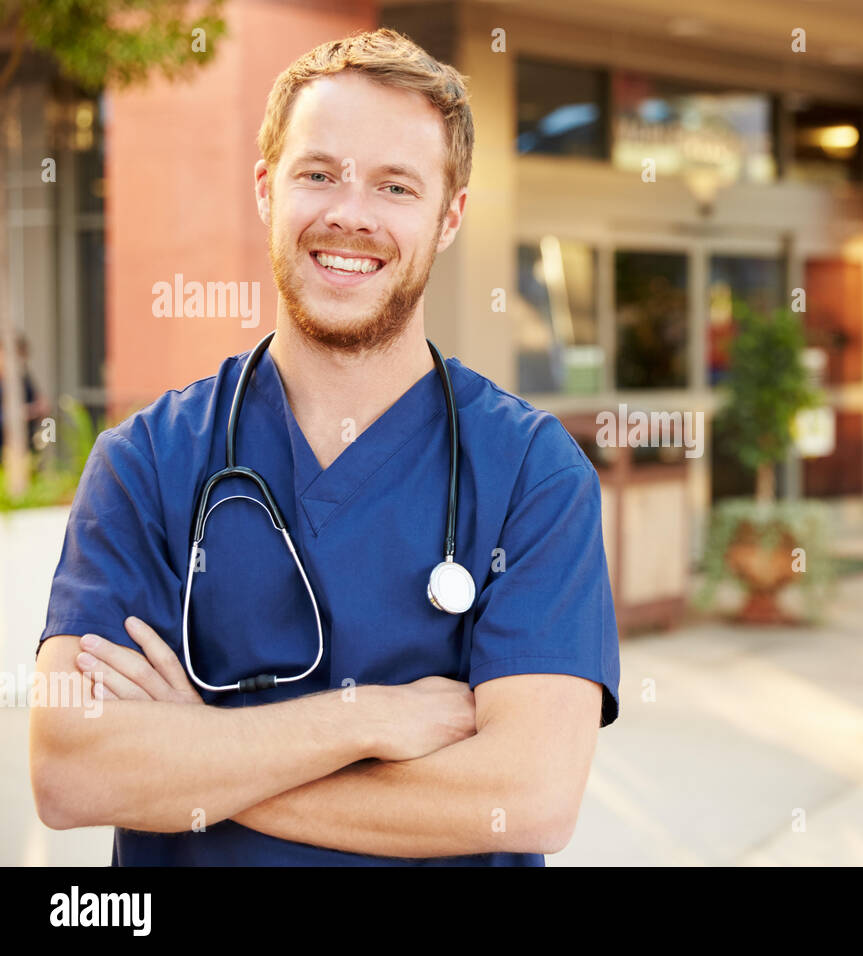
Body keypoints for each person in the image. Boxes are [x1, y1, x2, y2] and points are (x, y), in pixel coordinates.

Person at [29, 29, 620, 866]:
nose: (351, 213)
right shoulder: (145, 464)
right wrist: (365, 720)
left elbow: (526, 798)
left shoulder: (532, 474)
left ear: (449, 217)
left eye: (395, 185)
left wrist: (197, 751)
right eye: (319, 174)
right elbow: (72, 773)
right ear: (267, 189)